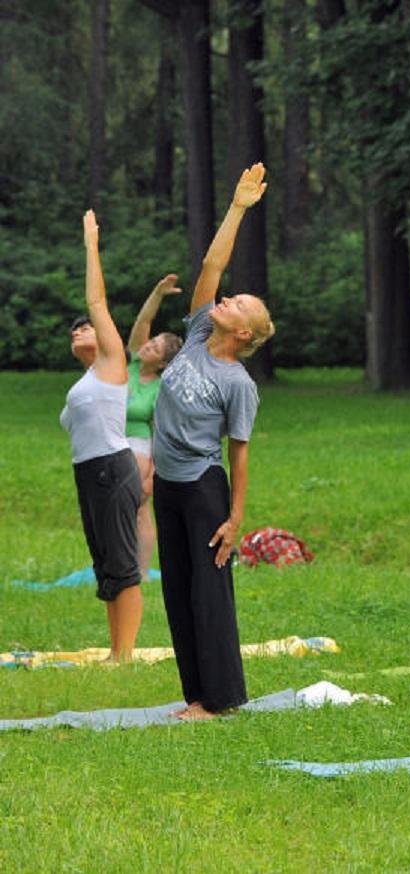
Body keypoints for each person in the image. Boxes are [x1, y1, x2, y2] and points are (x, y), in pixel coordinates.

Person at [152, 163, 274, 721]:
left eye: (238, 304)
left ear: (243, 333)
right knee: (178, 591)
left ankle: (222, 698)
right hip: (168, 485)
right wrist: (238, 207)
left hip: (203, 488)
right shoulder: (200, 333)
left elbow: (239, 452)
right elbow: (210, 266)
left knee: (209, 593)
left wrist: (235, 517)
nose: (226, 298)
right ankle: (197, 697)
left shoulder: (237, 383)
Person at [62, 210, 144, 661]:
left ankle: (124, 657)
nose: (79, 330)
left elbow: (96, 302)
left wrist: (91, 245)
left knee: (122, 562)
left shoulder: (112, 363)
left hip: (112, 468)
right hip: (89, 472)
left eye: (85, 327)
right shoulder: (84, 382)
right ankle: (116, 652)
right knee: (106, 563)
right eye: (73, 330)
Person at [125, 275, 184, 583]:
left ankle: (142, 571)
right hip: (108, 439)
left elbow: (164, 432)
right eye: (152, 341)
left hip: (137, 445)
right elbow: (143, 322)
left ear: (162, 363)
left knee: (138, 507)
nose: (148, 345)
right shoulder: (132, 363)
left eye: (156, 347)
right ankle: (117, 563)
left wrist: (152, 475)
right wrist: (158, 293)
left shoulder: (161, 388)